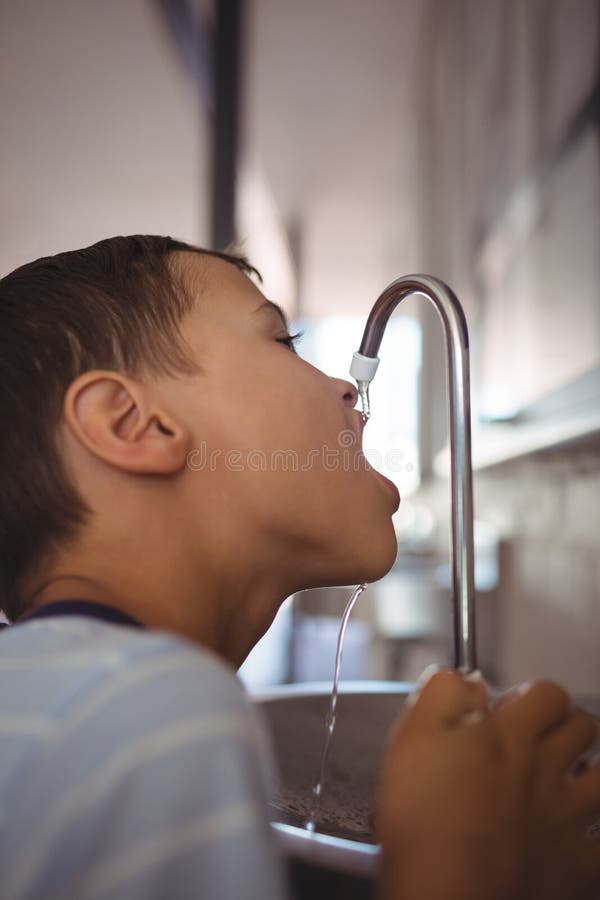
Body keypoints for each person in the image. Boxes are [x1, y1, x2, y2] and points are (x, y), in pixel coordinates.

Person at [0, 235, 599, 900]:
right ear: (135, 424)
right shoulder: (148, 707)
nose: (348, 387)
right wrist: (458, 866)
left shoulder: (67, 695)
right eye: (282, 343)